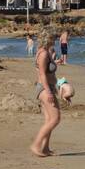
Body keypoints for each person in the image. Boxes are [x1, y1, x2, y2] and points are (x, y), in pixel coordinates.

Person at [30, 28, 62, 157]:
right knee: (55, 119)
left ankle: (45, 148)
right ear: (47, 39)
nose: (55, 39)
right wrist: (49, 92)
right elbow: (42, 74)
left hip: (48, 87)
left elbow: (48, 71)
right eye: (53, 37)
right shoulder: (43, 54)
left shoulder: (46, 52)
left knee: (49, 119)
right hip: (44, 88)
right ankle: (35, 145)